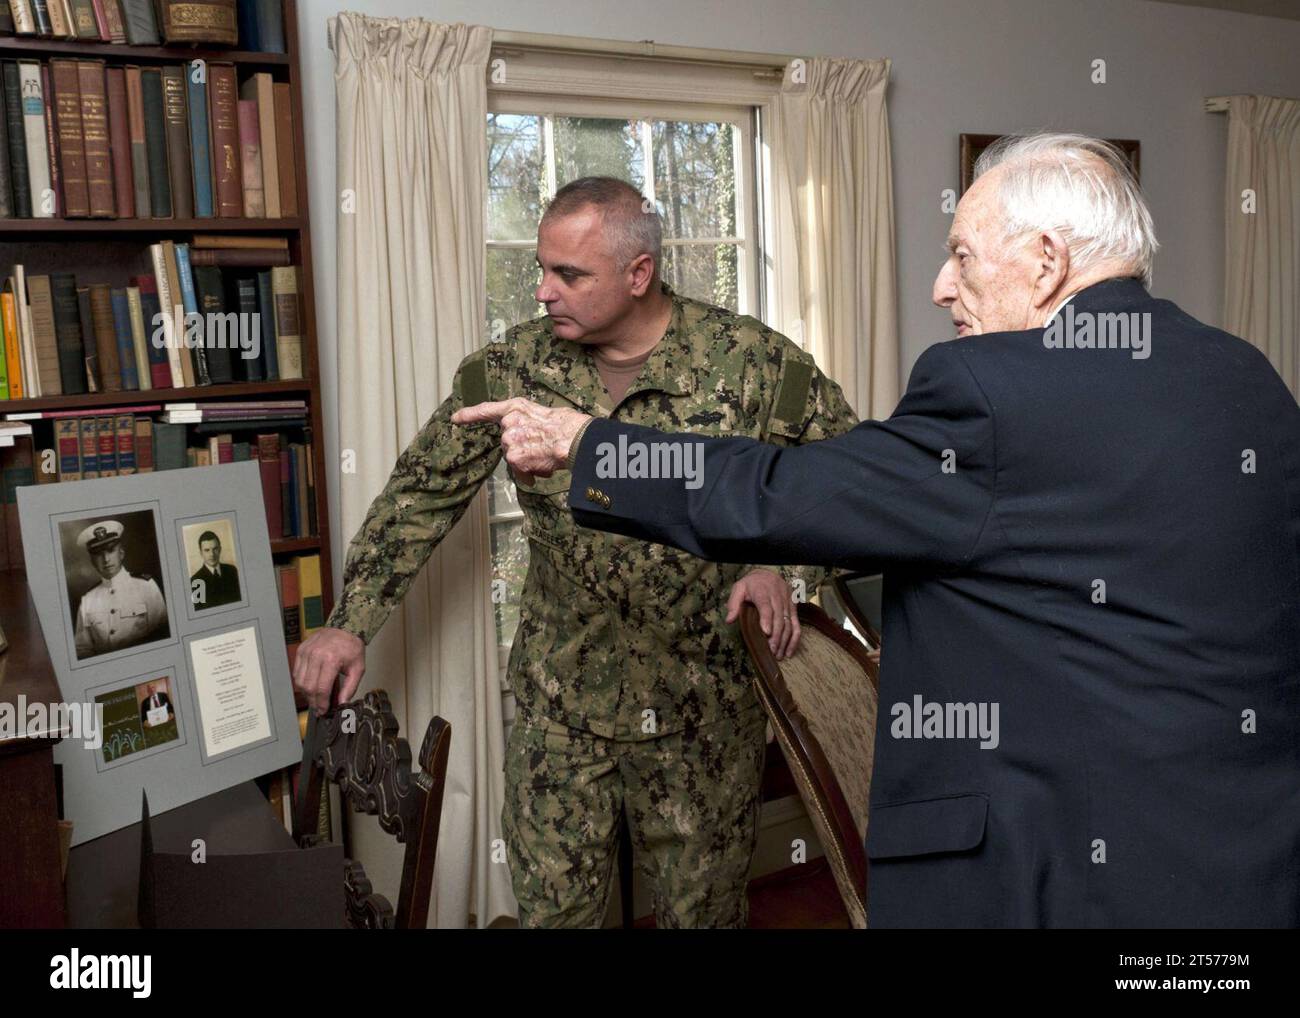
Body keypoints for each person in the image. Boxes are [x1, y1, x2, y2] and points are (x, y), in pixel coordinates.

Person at [455, 134, 1300, 929]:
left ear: (1045, 262)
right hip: (1236, 866)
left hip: (1047, 869)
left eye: (962, 254)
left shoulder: (994, 391)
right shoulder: (1246, 376)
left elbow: (781, 490)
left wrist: (586, 443)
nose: (940, 284)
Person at [294, 177, 859, 928]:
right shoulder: (513, 370)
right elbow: (418, 495)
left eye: (569, 274)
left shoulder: (753, 365)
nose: (543, 292)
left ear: (638, 273)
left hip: (701, 719)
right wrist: (347, 620)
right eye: (541, 269)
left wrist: (779, 568)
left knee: (704, 919)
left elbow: (852, 487)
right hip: (560, 716)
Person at [73, 520, 168, 659]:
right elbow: (82, 650)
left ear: (121, 553)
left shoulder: (146, 586)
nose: (106, 559)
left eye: (111, 551)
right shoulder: (87, 600)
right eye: (99, 554)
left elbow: (162, 635)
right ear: (92, 561)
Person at [189, 531, 242, 609]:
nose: (212, 554)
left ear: (220, 549)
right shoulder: (195, 581)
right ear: (201, 553)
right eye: (207, 550)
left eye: (215, 549)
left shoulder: (232, 570)